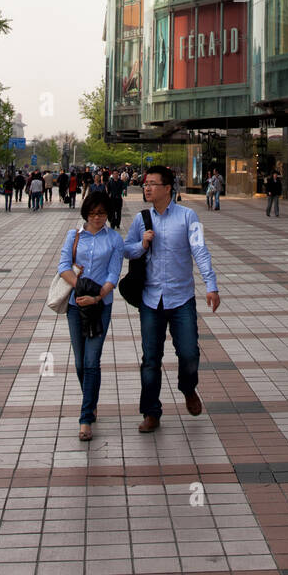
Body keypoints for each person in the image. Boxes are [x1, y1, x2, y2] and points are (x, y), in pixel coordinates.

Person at [123, 164, 220, 434]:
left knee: (189, 353)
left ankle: (188, 388)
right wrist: (141, 244)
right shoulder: (141, 220)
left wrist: (211, 286)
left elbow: (200, 251)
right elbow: (126, 251)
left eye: (152, 183)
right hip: (151, 300)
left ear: (168, 188)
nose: (147, 187)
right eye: (145, 183)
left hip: (181, 299)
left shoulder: (189, 217)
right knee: (151, 358)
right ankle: (151, 412)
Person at [57, 192, 124, 441]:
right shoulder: (73, 236)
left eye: (102, 213)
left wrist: (96, 297)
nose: (98, 218)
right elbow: (63, 266)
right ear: (86, 213)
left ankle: (86, 418)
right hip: (76, 306)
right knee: (79, 363)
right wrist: (81, 289)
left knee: (91, 361)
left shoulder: (114, 239)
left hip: (100, 306)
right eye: (94, 213)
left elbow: (113, 274)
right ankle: (91, 399)